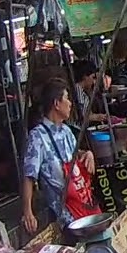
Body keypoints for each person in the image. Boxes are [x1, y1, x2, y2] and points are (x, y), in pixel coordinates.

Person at [21, 80, 99, 233]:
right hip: (63, 214)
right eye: (67, 98)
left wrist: (87, 154)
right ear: (57, 104)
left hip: (82, 204)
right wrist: (28, 211)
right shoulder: (38, 137)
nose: (70, 103)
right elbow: (29, 176)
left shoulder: (66, 131)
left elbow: (76, 155)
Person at [71, 61, 108, 126]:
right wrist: (96, 117)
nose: (94, 81)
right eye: (93, 77)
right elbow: (81, 114)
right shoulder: (77, 91)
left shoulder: (84, 93)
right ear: (85, 77)